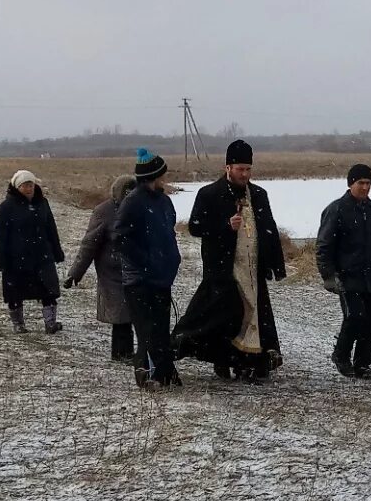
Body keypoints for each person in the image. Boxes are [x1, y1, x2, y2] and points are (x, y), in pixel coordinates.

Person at [172, 139, 286, 381]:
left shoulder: (258, 195)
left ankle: (250, 362)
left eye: (248, 169)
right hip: (223, 269)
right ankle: (219, 357)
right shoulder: (209, 194)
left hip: (253, 269)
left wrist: (276, 264)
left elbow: (269, 228)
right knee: (224, 316)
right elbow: (195, 227)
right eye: (240, 169)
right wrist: (225, 226)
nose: (244, 174)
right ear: (228, 168)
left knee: (252, 316)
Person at [316, 164, 371, 381]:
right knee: (355, 317)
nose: (365, 187)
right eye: (361, 183)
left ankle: (363, 365)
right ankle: (341, 356)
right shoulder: (337, 210)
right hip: (347, 277)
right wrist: (328, 275)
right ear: (351, 183)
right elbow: (324, 245)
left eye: (368, 183)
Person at [113, 149, 181, 389]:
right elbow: (120, 238)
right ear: (153, 176)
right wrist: (145, 261)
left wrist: (172, 259)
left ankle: (165, 372)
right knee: (146, 327)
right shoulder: (133, 202)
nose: (166, 178)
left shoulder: (163, 201)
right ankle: (148, 375)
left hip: (162, 276)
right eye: (163, 174)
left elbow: (169, 230)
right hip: (139, 279)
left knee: (161, 327)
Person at [63, 175, 136, 361]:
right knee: (120, 313)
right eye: (126, 193)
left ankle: (127, 352)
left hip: (134, 269)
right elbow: (89, 244)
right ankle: (120, 353)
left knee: (131, 311)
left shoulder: (138, 209)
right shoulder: (104, 211)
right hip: (111, 271)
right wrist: (75, 273)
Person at [0, 171, 65, 334]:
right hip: (16, 257)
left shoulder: (42, 203)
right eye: (25, 185)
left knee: (48, 289)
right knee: (15, 291)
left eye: (31, 184)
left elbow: (51, 228)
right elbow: (0, 234)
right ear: (17, 187)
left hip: (42, 255)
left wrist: (56, 251)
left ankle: (50, 323)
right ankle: (18, 324)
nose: (29, 188)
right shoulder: (7, 206)